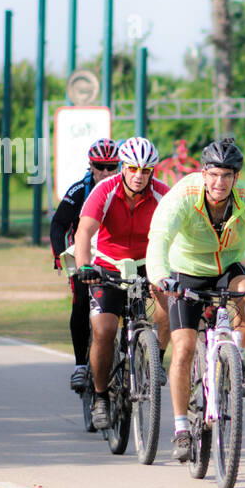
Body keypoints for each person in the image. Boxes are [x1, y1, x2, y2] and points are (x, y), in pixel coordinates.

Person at [146, 137, 245, 462]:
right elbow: (159, 236)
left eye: (227, 176)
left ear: (236, 178)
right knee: (183, 349)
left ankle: (235, 360)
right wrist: (160, 275)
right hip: (184, 272)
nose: (219, 182)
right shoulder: (184, 195)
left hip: (228, 267)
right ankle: (182, 429)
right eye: (213, 174)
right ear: (203, 173)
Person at [73, 136, 172, 431]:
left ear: (152, 171)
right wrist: (83, 267)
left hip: (148, 264)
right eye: (132, 169)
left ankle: (156, 361)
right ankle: (101, 396)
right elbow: (83, 232)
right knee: (104, 330)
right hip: (108, 266)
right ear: (123, 167)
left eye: (145, 170)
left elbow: (180, 233)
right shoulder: (105, 190)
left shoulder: (163, 194)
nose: (138, 176)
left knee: (169, 307)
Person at [50, 138, 119, 393]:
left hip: (115, 253)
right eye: (100, 166)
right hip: (85, 251)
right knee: (80, 299)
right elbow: (58, 224)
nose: (106, 172)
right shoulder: (80, 189)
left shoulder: (126, 188)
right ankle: (81, 365)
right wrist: (59, 255)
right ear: (91, 166)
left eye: (112, 167)